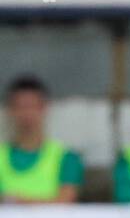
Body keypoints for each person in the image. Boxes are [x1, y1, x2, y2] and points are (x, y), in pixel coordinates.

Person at [0, 76, 82, 204]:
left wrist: (17, 202)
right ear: (10, 110)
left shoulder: (66, 158)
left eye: (32, 106)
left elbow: (64, 202)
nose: (26, 113)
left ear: (45, 108)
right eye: (20, 107)